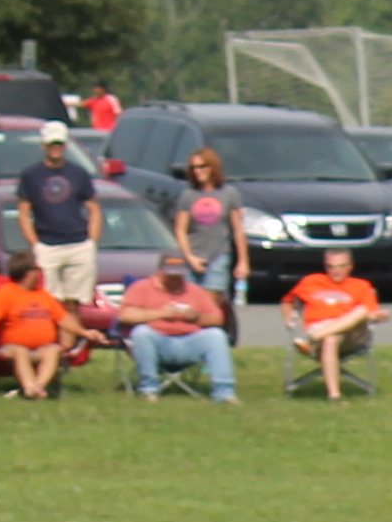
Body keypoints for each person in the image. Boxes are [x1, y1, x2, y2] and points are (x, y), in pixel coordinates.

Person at [13, 120, 104, 308]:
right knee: (49, 302)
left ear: (66, 145)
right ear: (43, 145)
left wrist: (91, 242)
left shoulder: (79, 173)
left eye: (59, 144)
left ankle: (68, 338)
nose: (56, 149)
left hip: (78, 244)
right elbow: (23, 213)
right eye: (52, 145)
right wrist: (36, 244)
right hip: (48, 245)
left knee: (74, 303)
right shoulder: (31, 175)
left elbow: (94, 209)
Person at [121, 257, 235, 401]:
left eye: (178, 275)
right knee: (141, 334)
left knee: (216, 335)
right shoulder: (142, 288)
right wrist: (161, 313)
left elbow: (217, 319)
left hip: (189, 342)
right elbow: (125, 315)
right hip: (158, 342)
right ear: (160, 272)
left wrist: (195, 317)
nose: (175, 279)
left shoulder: (194, 290)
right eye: (170, 276)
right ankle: (149, 388)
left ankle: (224, 393)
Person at [284, 247, 380, 399]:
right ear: (325, 266)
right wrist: (288, 319)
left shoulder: (362, 286)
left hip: (351, 334)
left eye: (341, 266)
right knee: (331, 339)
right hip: (320, 329)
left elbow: (371, 313)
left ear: (350, 266)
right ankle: (334, 395)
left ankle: (316, 338)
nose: (336, 271)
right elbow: (288, 301)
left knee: (361, 311)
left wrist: (380, 316)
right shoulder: (311, 282)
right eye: (331, 267)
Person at [0, 259, 68, 397]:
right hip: (11, 348)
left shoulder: (43, 295)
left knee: (53, 350)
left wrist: (85, 332)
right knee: (21, 351)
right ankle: (30, 387)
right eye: (37, 269)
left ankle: (38, 387)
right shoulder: (7, 293)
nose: (40, 273)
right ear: (27, 273)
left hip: (42, 348)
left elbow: (64, 319)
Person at [177, 148, 247, 303]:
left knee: (210, 304)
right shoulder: (188, 195)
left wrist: (243, 262)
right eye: (194, 167)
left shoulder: (229, 193)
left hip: (219, 255)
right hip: (194, 255)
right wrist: (190, 257)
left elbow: (238, 230)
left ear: (212, 168)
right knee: (191, 303)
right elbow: (181, 230)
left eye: (202, 167)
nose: (198, 171)